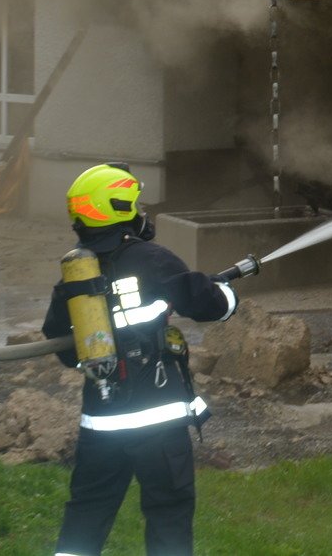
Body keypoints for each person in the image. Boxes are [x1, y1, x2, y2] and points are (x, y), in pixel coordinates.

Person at [44, 164, 238, 556]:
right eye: (134, 204)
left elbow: (62, 347)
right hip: (157, 422)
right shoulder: (152, 259)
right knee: (168, 514)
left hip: (100, 421)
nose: (141, 212)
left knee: (86, 513)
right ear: (119, 209)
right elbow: (211, 306)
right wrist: (226, 292)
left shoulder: (74, 275)